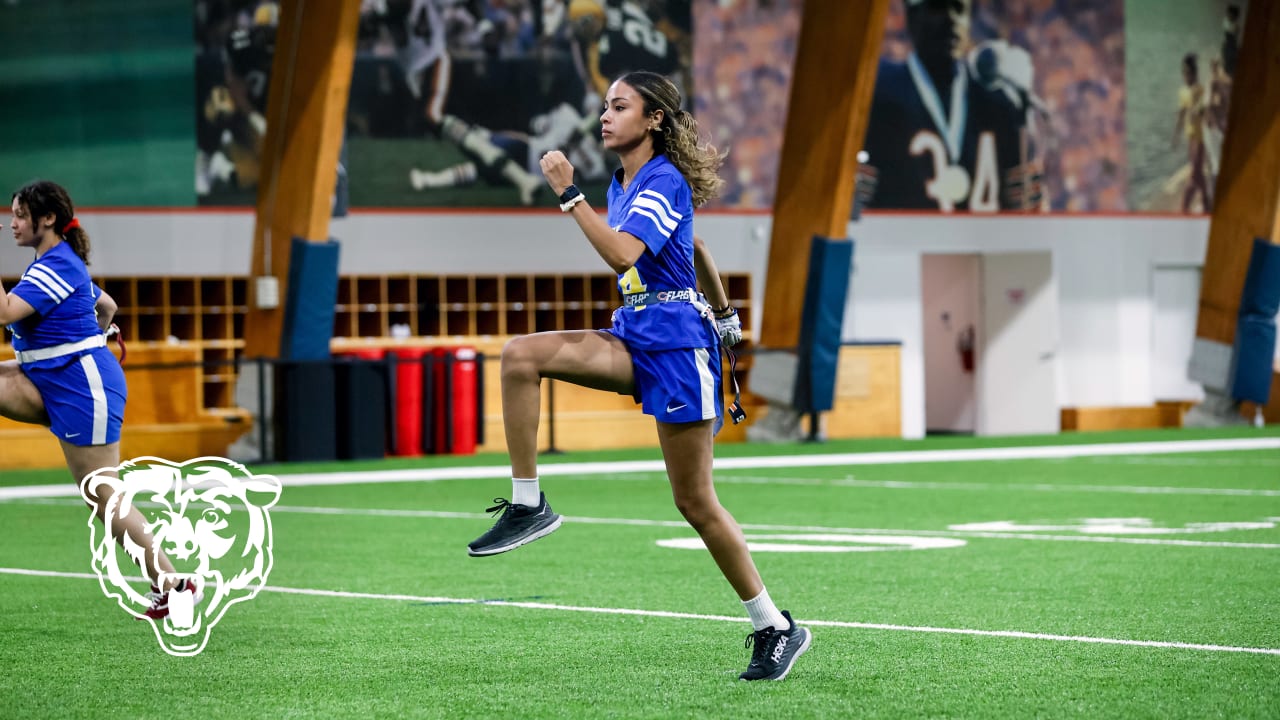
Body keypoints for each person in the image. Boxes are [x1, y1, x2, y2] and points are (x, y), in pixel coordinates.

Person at [464, 71, 810, 682]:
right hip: (636, 332)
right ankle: (528, 503)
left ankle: (775, 627)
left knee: (695, 501)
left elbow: (624, 254)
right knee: (521, 355)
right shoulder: (626, 181)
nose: (605, 116)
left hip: (677, 347)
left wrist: (570, 196)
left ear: (653, 119)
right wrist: (727, 312)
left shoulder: (662, 178)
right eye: (604, 106)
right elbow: (694, 248)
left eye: (619, 106)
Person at [0, 180, 199, 619]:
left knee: (104, 494)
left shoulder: (54, 265)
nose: (11, 223)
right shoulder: (55, 265)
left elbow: (4, 312)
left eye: (18, 214)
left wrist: (91, 342)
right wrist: (97, 333)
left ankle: (174, 583)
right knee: (102, 495)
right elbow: (106, 304)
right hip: (60, 378)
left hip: (81, 386)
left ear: (46, 219)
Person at [861, 0, 1030, 212]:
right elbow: (859, 200)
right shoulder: (880, 95)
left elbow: (1025, 207)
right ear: (913, 17)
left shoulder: (998, 100)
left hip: (981, 242)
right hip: (901, 242)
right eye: (937, 8)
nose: (952, 19)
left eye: (959, 8)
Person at [1172, 53, 1211, 213]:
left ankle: (1184, 207)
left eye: (1189, 73)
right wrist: (1176, 135)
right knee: (1198, 172)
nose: (1186, 76)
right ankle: (1207, 202)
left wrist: (1199, 109)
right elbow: (1181, 113)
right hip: (1190, 137)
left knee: (1194, 173)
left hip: (1201, 137)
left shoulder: (1200, 91)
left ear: (1195, 74)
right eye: (1184, 72)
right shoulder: (1182, 91)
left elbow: (1204, 110)